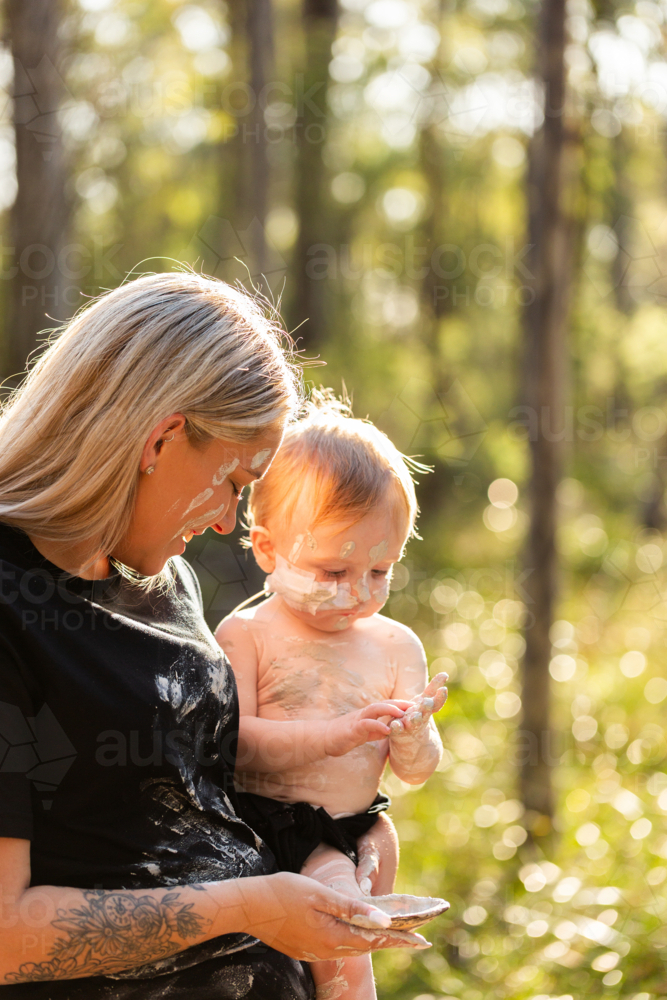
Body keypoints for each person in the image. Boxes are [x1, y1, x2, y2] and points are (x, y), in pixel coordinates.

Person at [0, 274, 425, 999]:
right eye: (234, 480)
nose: (227, 522)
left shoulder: (168, 584)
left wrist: (333, 845)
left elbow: (200, 802)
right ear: (161, 439)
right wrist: (250, 907)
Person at [215, 392, 448, 999]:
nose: (357, 595)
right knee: (344, 967)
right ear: (268, 549)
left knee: (340, 931)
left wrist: (416, 735)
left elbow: (416, 773)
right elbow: (235, 744)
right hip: (276, 828)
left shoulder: (396, 646)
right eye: (332, 572)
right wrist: (338, 734)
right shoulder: (248, 634)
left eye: (380, 571)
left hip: (359, 830)